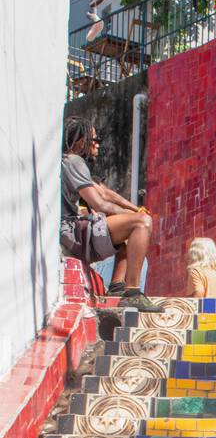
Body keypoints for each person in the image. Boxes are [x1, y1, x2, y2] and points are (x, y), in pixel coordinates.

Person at [60, 118, 161, 312]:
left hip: (73, 231)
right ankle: (132, 293)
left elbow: (105, 192)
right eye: (94, 140)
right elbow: (99, 202)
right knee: (141, 224)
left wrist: (135, 210)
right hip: (73, 231)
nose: (97, 144)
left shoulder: (70, 163)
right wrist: (137, 216)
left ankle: (116, 287)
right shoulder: (74, 161)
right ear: (81, 141)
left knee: (130, 226)